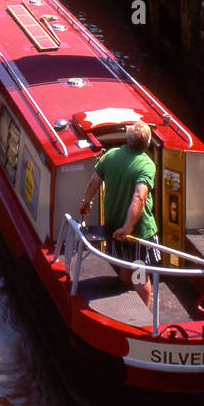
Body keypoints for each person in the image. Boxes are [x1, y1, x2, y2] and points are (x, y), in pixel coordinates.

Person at [78, 120, 157, 309]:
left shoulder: (110, 156)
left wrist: (86, 203)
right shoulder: (146, 165)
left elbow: (93, 184)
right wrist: (128, 228)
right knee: (140, 273)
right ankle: (146, 316)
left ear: (127, 138)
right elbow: (140, 197)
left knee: (125, 268)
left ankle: (131, 306)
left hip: (114, 226)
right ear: (147, 143)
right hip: (138, 232)